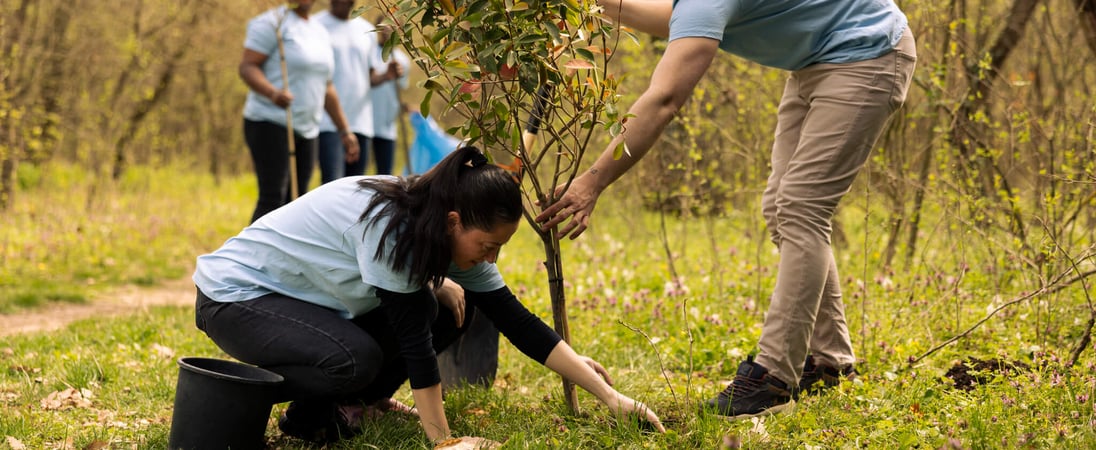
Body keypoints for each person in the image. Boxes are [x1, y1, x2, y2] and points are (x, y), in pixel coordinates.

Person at [536, 0, 916, 420]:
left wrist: (592, 181)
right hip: (819, 60)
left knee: (800, 208)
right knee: (783, 209)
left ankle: (773, 379)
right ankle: (830, 361)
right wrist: (593, 5)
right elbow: (676, 20)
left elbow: (664, 99)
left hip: (867, 52)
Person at [192, 146, 665, 444]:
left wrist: (610, 397)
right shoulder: (390, 228)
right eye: (488, 246)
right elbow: (415, 347)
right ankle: (233, 392)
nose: (492, 259)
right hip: (235, 296)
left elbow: (517, 321)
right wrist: (444, 442)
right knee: (356, 359)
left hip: (297, 302)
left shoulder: (438, 221)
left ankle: (348, 407)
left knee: (445, 306)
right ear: (454, 222)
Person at [239, 0, 358, 223]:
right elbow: (247, 66)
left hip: (307, 127)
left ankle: (284, 247)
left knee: (297, 201)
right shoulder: (272, 23)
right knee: (273, 198)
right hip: (270, 122)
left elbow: (327, 86)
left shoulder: (319, 31)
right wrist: (272, 93)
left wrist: (344, 130)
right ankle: (252, 246)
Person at [315, 0, 404, 184]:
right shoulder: (317, 25)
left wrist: (386, 75)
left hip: (361, 123)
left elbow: (369, 77)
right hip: (328, 122)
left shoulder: (366, 30)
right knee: (332, 183)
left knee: (355, 187)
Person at [370, 18, 412, 176]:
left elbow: (402, 89)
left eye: (391, 27)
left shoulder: (402, 61)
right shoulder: (369, 53)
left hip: (387, 124)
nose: (386, 30)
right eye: (383, 27)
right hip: (365, 121)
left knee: (384, 174)